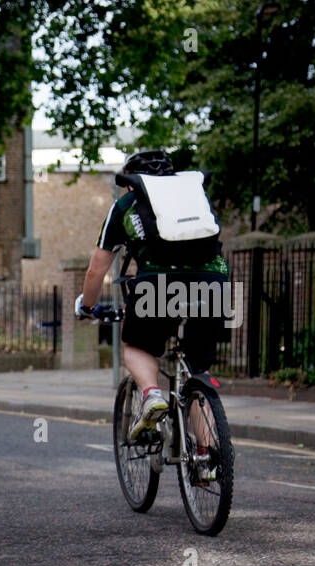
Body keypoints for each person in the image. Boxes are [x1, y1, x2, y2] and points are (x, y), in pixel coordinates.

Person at [76, 150, 229, 448]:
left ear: (132, 183)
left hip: (157, 286)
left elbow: (97, 269)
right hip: (214, 285)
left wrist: (88, 306)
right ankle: (208, 457)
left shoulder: (126, 205)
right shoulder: (194, 197)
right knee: (198, 369)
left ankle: (152, 395)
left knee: (135, 346)